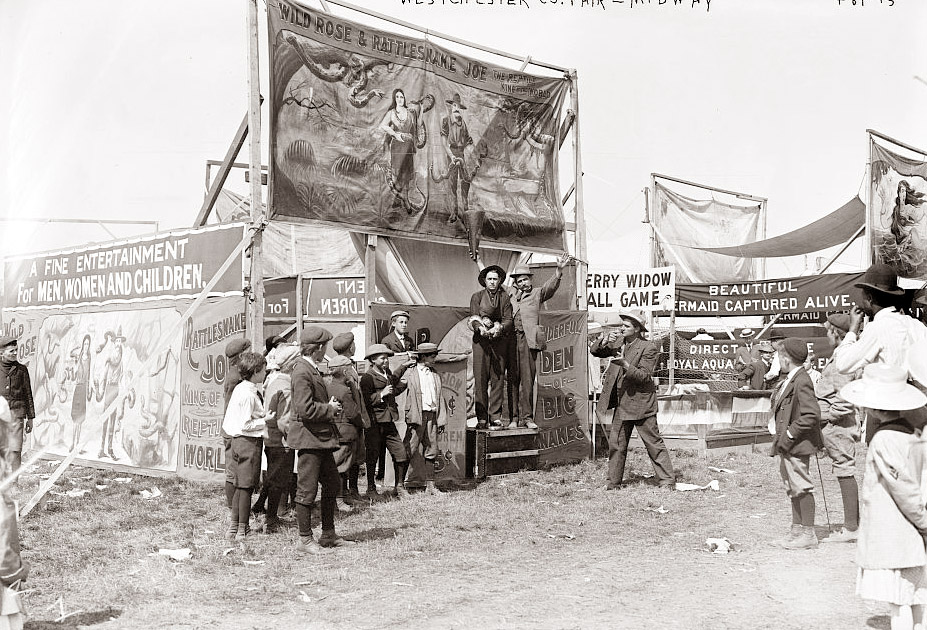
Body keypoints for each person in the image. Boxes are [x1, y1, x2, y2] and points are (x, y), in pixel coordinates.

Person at [840, 364, 927, 630]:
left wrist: (923, 522)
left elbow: (902, 486)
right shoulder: (913, 433)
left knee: (899, 598)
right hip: (910, 528)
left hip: (897, 529)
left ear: (873, 407)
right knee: (914, 595)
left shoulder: (885, 440)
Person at [833, 263, 927, 440]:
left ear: (869, 298)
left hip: (887, 407)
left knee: (883, 458)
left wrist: (853, 330)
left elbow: (844, 364)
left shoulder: (878, 327)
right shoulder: (916, 326)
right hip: (916, 403)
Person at [590, 310, 676, 490]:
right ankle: (613, 483)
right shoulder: (618, 342)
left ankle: (667, 481)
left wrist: (626, 365)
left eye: (626, 326)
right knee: (616, 444)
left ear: (637, 329)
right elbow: (595, 351)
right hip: (622, 403)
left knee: (653, 444)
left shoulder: (648, 347)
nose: (622, 328)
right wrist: (605, 340)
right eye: (622, 325)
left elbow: (645, 376)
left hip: (641, 403)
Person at [289, 326, 352, 553]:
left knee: (332, 484)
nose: (325, 351)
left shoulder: (311, 369)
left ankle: (328, 534)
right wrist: (329, 408)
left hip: (320, 439)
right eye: (324, 347)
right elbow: (305, 409)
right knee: (306, 490)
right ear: (316, 348)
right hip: (310, 439)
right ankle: (305, 539)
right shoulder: (302, 371)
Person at [499, 253, 570, 430]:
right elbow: (493, 282)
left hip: (528, 342)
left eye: (525, 280)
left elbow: (551, 287)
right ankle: (513, 418)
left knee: (528, 380)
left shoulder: (537, 293)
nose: (523, 283)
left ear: (530, 280)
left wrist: (559, 270)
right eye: (519, 280)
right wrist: (479, 263)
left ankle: (527, 418)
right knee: (512, 380)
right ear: (515, 282)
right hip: (510, 341)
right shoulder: (510, 294)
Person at [769, 338, 824, 550]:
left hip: (796, 444)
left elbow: (811, 414)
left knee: (801, 486)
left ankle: (808, 534)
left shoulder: (802, 380)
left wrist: (790, 434)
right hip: (787, 445)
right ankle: (796, 530)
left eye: (779, 356)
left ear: (786, 358)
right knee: (792, 487)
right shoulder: (793, 377)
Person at [814, 313, 861, 544]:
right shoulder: (841, 355)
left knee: (844, 470)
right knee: (843, 470)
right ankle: (853, 525)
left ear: (835, 332)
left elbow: (845, 399)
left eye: (828, 331)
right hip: (835, 425)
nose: (827, 335)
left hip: (838, 426)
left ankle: (851, 528)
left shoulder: (844, 359)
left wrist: (826, 418)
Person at [221, 351, 274, 543]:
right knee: (246, 487)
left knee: (239, 486)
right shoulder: (248, 395)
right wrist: (265, 420)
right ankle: (241, 527)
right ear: (256, 371)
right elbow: (246, 424)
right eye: (263, 370)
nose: (265, 373)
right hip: (247, 442)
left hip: (237, 441)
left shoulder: (242, 388)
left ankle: (235, 526)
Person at [361, 344, 414, 497]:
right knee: (373, 456)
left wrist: (404, 373)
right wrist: (381, 394)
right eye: (382, 358)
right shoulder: (367, 378)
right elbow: (365, 400)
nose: (386, 361)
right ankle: (371, 489)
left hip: (389, 421)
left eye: (387, 358)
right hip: (375, 423)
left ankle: (399, 487)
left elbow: (393, 382)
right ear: (373, 360)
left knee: (400, 452)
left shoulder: (387, 373)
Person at [258, 344, 300, 534]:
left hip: (270, 437)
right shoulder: (286, 386)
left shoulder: (274, 381)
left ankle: (268, 514)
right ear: (292, 364)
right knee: (279, 481)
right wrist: (295, 441)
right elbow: (285, 421)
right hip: (280, 441)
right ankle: (271, 520)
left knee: (274, 478)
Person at [469, 264, 514, 430]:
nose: (493, 282)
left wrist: (499, 328)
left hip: (499, 342)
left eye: (495, 279)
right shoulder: (477, 297)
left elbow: (509, 319)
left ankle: (495, 416)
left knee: (498, 378)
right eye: (490, 279)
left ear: (500, 280)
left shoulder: (505, 297)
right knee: (480, 379)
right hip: (481, 342)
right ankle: (481, 417)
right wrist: (480, 328)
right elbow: (473, 317)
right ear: (484, 281)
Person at [401, 343, 447, 495]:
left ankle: (431, 486)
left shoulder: (434, 374)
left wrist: (440, 418)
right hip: (417, 416)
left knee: (432, 449)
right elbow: (397, 387)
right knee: (409, 449)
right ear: (423, 357)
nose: (435, 359)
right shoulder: (411, 373)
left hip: (431, 415)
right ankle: (399, 486)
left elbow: (439, 397)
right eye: (432, 356)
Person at [331, 332, 369, 503]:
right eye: (353, 344)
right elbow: (352, 399)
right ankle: (345, 494)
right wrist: (360, 420)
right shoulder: (347, 370)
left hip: (353, 422)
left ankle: (351, 492)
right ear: (350, 347)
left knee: (354, 458)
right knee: (346, 460)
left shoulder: (348, 367)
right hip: (350, 422)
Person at [324, 355, 364, 512]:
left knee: (339, 466)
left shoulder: (327, 387)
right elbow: (353, 413)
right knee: (341, 467)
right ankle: (339, 500)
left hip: (334, 432)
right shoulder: (345, 391)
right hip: (346, 434)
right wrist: (363, 424)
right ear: (345, 371)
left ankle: (342, 496)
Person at [379, 88, 423, 211]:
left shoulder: (410, 112)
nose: (400, 99)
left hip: (408, 146)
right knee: (397, 174)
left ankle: (406, 200)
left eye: (402, 97)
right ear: (394, 98)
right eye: (397, 97)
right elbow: (382, 125)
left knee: (406, 175)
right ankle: (398, 199)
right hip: (397, 146)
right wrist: (394, 134)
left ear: (404, 99)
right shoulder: (392, 113)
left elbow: (418, 124)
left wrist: (422, 108)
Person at [222, 338, 252, 514]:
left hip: (231, 426)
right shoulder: (237, 376)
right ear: (242, 355)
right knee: (233, 470)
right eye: (249, 351)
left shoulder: (235, 372)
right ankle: (233, 508)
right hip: (233, 427)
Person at [0, 337, 34, 476]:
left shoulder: (22, 370)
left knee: (15, 449)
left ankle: (14, 481)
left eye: (16, 350)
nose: (15, 353)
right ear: (1, 352)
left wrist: (30, 417)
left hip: (17, 414)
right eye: (11, 351)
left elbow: (28, 394)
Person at [441, 93, 474, 225]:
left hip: (461, 153)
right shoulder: (446, 121)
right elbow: (444, 142)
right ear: (451, 106)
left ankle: (465, 211)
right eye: (454, 105)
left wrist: (470, 152)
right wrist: (451, 156)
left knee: (465, 181)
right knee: (452, 183)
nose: (456, 108)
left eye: (459, 106)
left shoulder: (463, 124)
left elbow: (469, 141)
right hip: (452, 153)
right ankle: (454, 213)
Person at [68, 334, 93, 453]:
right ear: (83, 344)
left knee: (81, 418)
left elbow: (89, 375)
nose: (86, 346)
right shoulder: (78, 357)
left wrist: (88, 391)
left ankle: (77, 444)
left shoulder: (89, 358)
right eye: (85, 343)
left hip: (84, 389)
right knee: (75, 417)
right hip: (77, 389)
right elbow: (73, 376)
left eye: (88, 344)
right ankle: (72, 443)